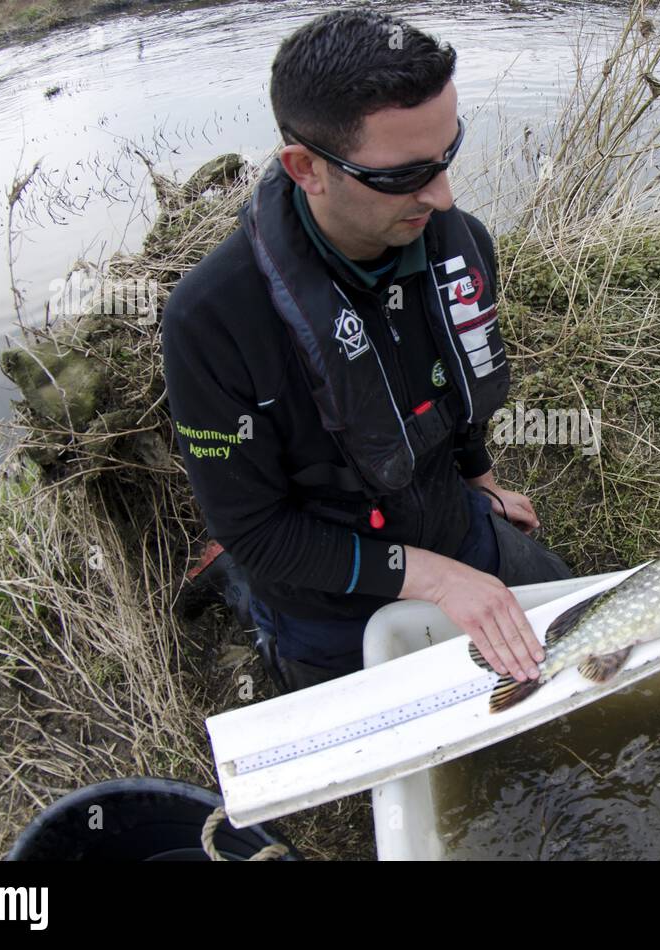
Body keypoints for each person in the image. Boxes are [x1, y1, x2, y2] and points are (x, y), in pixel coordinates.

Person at [162, 10, 570, 692]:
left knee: (574, 644)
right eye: (404, 175)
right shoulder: (210, 320)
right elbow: (259, 534)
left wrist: (480, 480)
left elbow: (459, 395)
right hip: (326, 597)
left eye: (449, 154)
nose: (442, 198)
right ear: (307, 169)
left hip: (453, 527)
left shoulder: (458, 247)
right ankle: (242, 606)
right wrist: (434, 580)